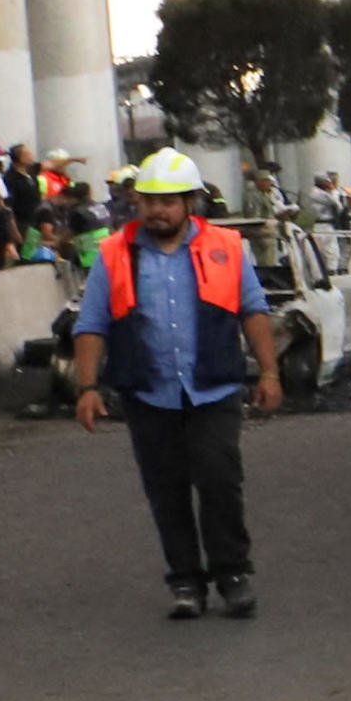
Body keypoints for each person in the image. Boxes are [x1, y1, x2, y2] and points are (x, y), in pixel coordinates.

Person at [68, 149, 285, 619]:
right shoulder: (114, 253)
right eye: (148, 201)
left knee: (219, 480)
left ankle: (231, 573)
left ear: (190, 203)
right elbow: (91, 323)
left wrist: (268, 372)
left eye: (167, 201)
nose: (156, 210)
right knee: (166, 490)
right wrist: (87, 388)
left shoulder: (226, 246)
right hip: (148, 392)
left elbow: (253, 310)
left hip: (214, 387)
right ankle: (185, 581)